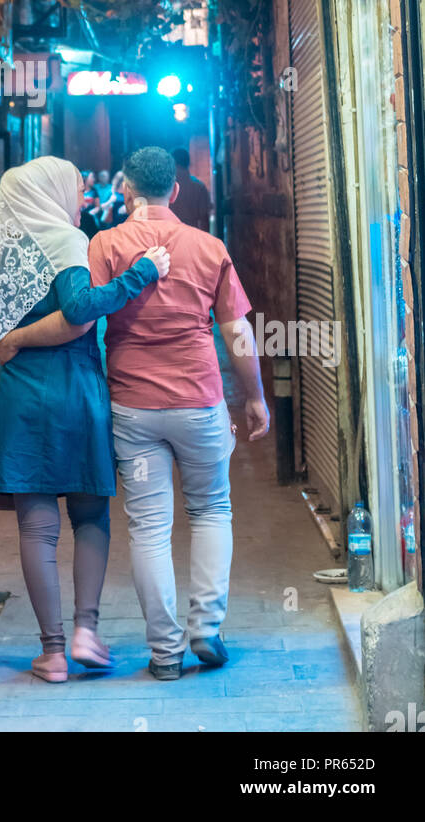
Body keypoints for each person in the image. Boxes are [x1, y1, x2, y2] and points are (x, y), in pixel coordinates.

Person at [0, 157, 169, 684]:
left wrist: (16, 339)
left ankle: (52, 652)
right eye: (74, 189)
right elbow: (80, 312)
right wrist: (142, 272)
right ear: (51, 193)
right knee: (90, 516)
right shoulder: (67, 243)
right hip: (74, 392)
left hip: (23, 396)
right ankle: (85, 632)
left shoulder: (6, 254)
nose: (81, 199)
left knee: (36, 525)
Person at [89, 146, 269, 679]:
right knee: (211, 510)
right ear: (175, 191)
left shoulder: (106, 244)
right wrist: (254, 396)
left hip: (133, 407)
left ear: (126, 191)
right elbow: (236, 331)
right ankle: (206, 629)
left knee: (148, 529)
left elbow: (90, 319)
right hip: (199, 403)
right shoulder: (208, 247)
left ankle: (164, 652)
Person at [169, 147, 211, 232]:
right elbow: (204, 219)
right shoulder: (199, 187)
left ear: (172, 163)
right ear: (188, 163)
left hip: (169, 236)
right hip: (191, 236)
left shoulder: (165, 186)